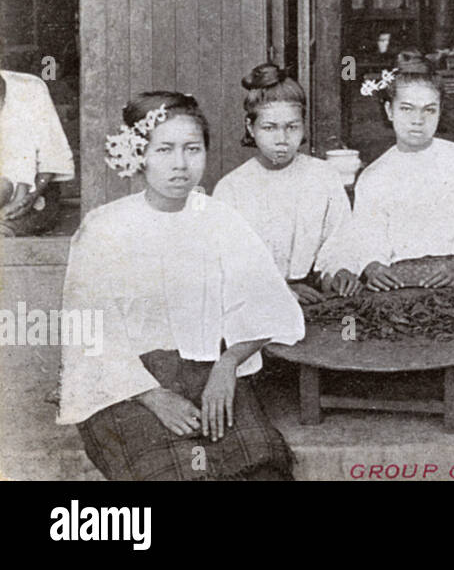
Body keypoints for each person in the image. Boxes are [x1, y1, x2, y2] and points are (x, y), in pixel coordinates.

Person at [58, 91, 304, 480]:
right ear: (138, 155)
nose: (180, 165)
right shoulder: (104, 228)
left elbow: (268, 305)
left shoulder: (222, 221)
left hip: (207, 374)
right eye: (164, 150)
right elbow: (89, 332)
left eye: (192, 149)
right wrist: (152, 395)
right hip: (124, 386)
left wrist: (227, 365)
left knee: (261, 468)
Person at [320, 51, 454, 295]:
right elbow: (368, 237)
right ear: (390, 111)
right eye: (407, 109)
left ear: (440, 111)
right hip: (398, 281)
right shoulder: (375, 175)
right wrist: (373, 266)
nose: (418, 120)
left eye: (429, 110)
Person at [213, 63, 352, 304]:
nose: (282, 139)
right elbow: (228, 265)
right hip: (257, 300)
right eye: (270, 128)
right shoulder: (232, 188)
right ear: (251, 128)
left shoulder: (323, 176)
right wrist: (275, 290)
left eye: (292, 127)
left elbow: (339, 240)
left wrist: (338, 272)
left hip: (316, 295)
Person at [0, 44, 76, 236]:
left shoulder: (29, 88)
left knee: (5, 228)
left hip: (36, 194)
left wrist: (31, 196)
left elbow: (52, 154)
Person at [0, 75, 34, 222]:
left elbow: (25, 166)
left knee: (4, 185)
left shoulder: (13, 128)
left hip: (7, 186)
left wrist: (18, 199)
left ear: (3, 102)